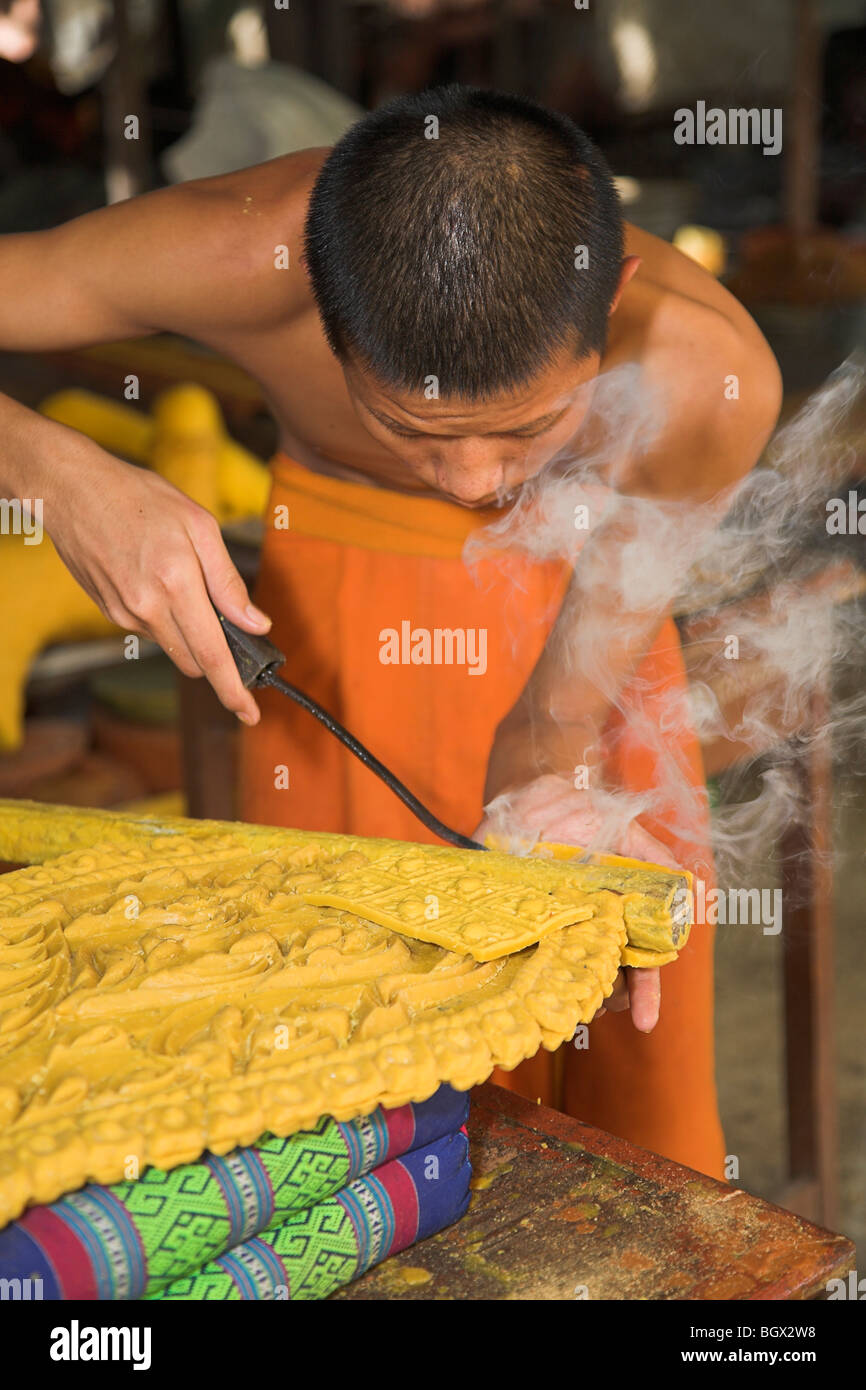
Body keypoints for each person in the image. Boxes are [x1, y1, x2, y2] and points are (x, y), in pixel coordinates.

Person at [0, 87, 782, 1176]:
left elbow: (547, 725)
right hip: (333, 642)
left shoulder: (705, 381)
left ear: (610, 295)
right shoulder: (237, 251)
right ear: (321, 310)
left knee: (612, 1125)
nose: (474, 482)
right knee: (329, 1078)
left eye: (526, 429)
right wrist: (54, 473)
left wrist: (543, 821)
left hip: (571, 650)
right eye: (408, 430)